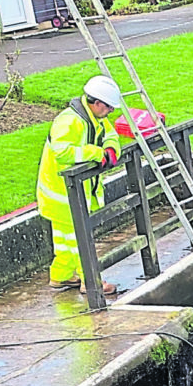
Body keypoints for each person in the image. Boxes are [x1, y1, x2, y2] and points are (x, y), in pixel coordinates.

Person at [37, 74, 123, 294]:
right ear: (96, 103)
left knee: (65, 239)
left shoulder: (96, 118)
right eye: (109, 108)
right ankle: (91, 282)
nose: (111, 112)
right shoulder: (69, 121)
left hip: (66, 192)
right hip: (62, 192)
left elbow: (111, 134)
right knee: (79, 238)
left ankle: (61, 276)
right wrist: (96, 153)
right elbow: (62, 151)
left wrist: (111, 149)